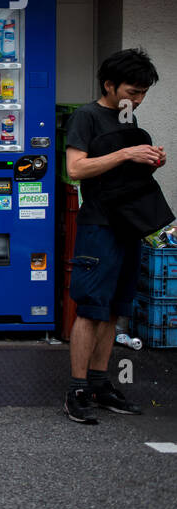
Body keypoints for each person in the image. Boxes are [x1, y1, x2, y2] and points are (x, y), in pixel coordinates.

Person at [63, 48, 173, 424]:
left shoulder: (128, 117)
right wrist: (127, 153)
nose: (137, 99)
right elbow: (76, 168)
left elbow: (121, 172)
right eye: (131, 91)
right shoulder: (86, 116)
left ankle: (99, 382)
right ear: (109, 84)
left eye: (143, 93)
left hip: (130, 224)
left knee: (113, 310)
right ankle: (77, 389)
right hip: (99, 225)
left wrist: (150, 159)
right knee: (91, 309)